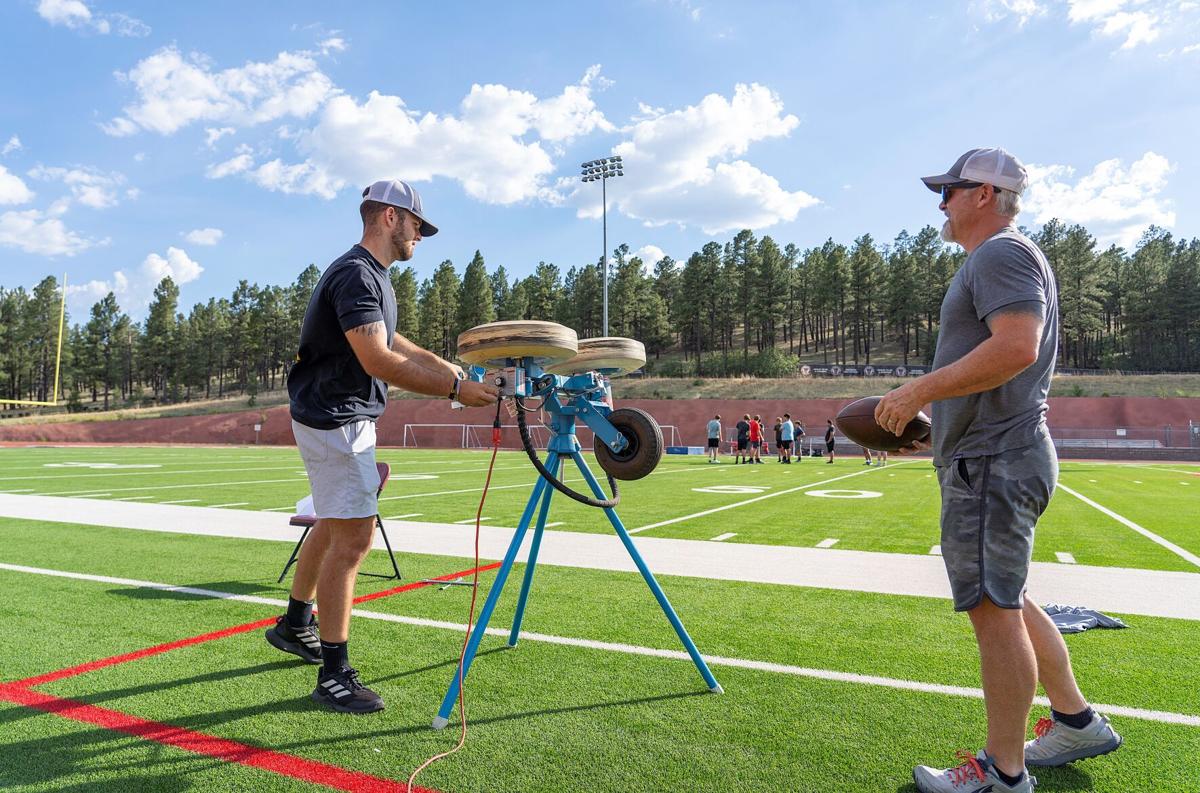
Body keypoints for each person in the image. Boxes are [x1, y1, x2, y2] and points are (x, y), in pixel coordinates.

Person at [876, 148, 1120, 793]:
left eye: (950, 190)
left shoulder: (999, 253)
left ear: (984, 193)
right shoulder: (999, 257)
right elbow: (998, 360)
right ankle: (1075, 720)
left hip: (993, 459)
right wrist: (936, 426)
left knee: (994, 608)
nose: (941, 203)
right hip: (991, 451)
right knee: (1007, 598)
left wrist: (916, 393)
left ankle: (1003, 775)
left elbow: (1016, 346)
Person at [267, 179, 499, 714]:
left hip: (340, 415)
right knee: (353, 541)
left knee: (334, 521)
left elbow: (392, 340)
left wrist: (441, 364)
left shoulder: (369, 276)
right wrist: (455, 390)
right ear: (390, 217)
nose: (421, 234)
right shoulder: (356, 273)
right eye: (418, 224)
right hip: (337, 417)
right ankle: (334, 674)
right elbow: (376, 359)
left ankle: (294, 623)